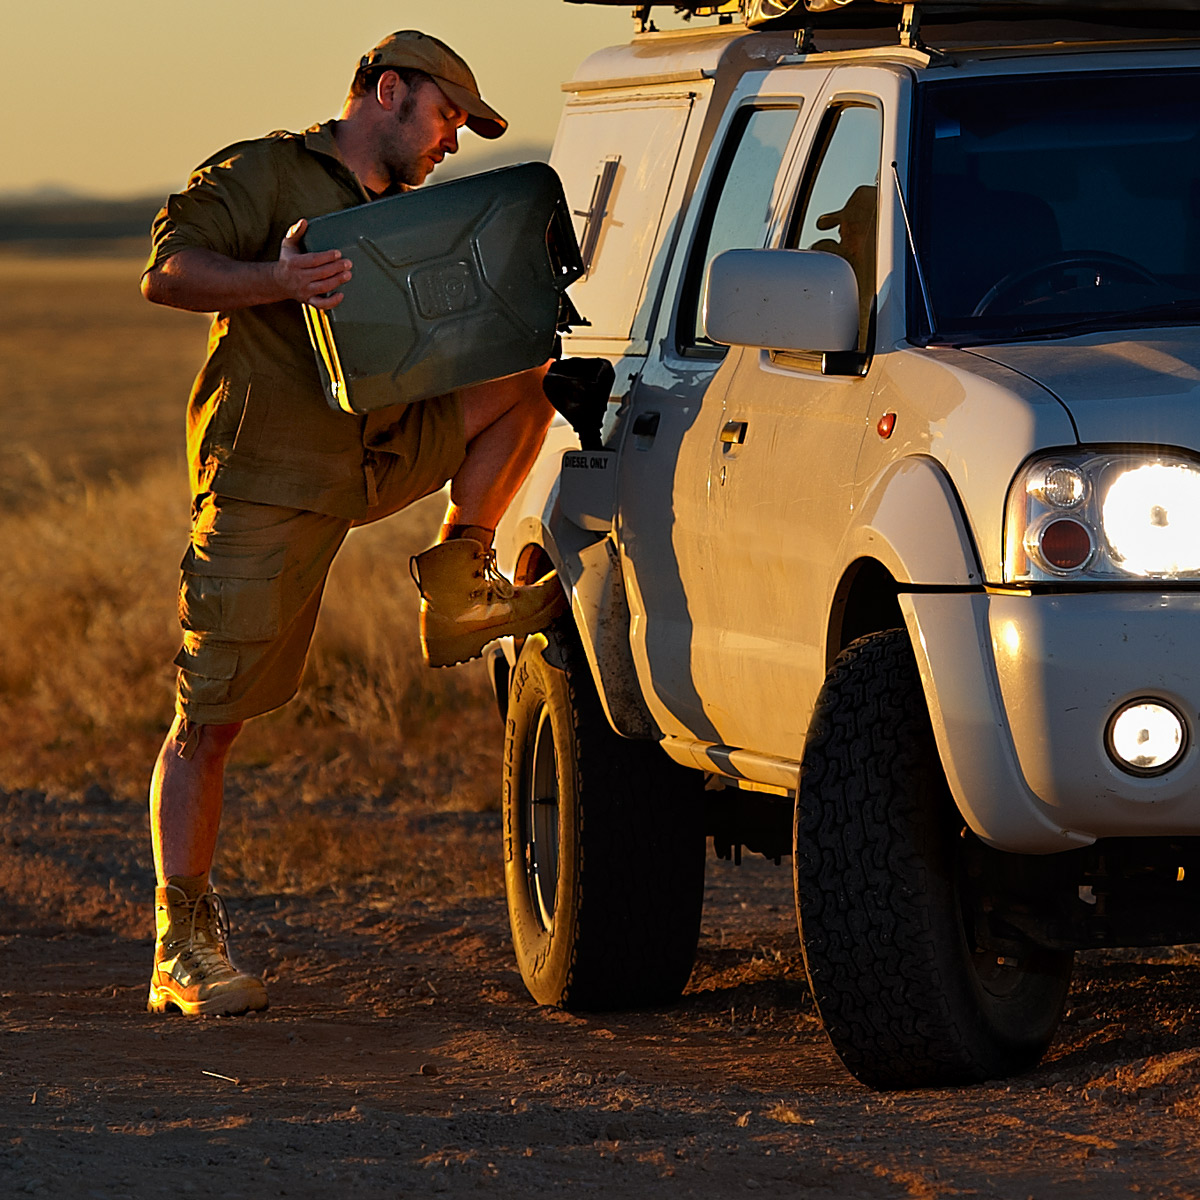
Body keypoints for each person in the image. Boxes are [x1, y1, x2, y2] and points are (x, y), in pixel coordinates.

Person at [139, 31, 564, 1017]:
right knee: (211, 721)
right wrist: (277, 282)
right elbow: (167, 273)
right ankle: (181, 944)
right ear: (388, 91)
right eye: (447, 117)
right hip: (272, 474)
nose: (451, 141)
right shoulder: (266, 174)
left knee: (528, 379)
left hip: (375, 452)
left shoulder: (409, 214)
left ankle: (459, 584)